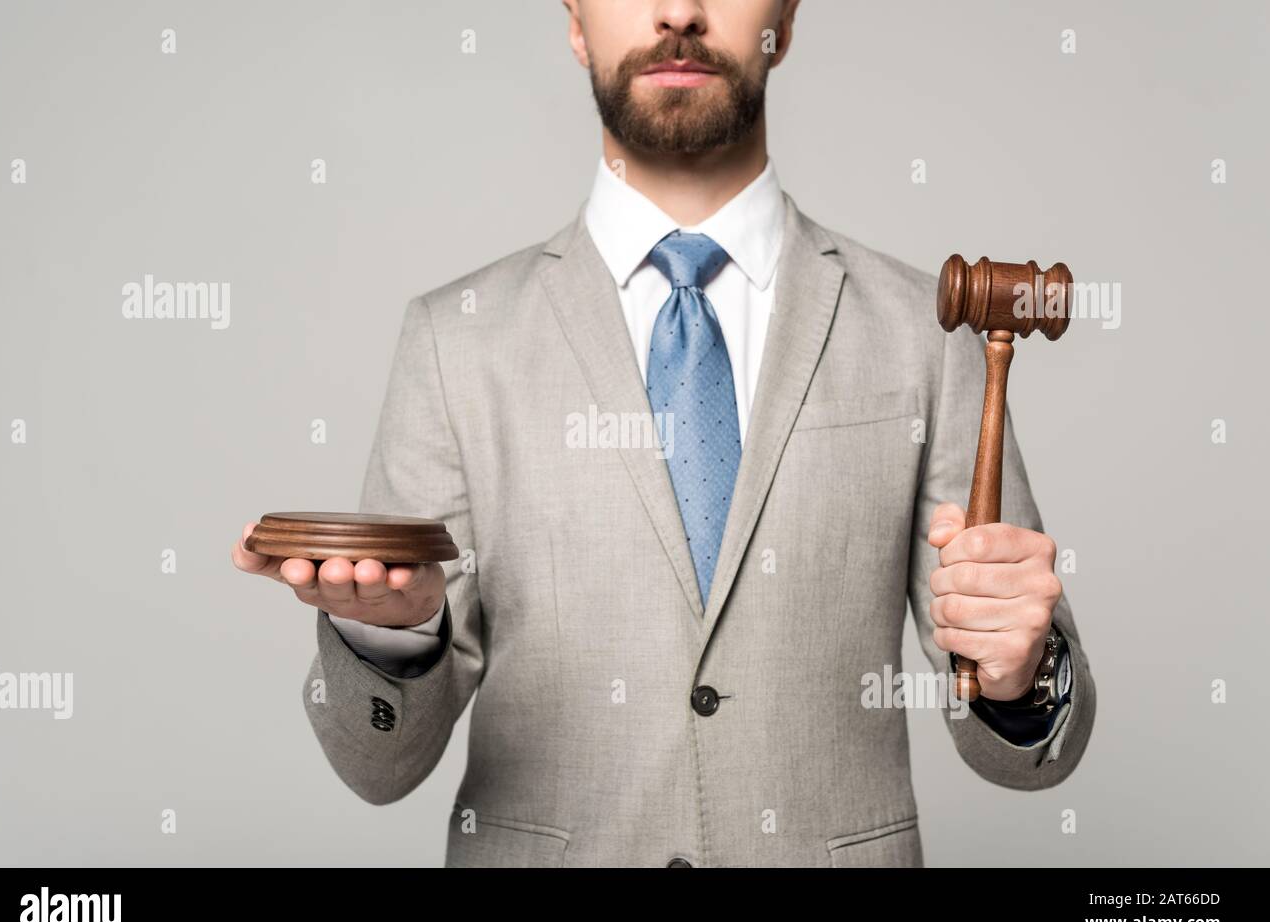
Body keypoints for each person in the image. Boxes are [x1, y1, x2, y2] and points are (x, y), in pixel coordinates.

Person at [232, 0, 1094, 867]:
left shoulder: (926, 332)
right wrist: (393, 637)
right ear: (575, 22)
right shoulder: (455, 340)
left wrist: (1017, 673)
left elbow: (1026, 753)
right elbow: (377, 765)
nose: (679, 10)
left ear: (785, 22)